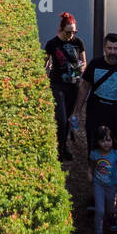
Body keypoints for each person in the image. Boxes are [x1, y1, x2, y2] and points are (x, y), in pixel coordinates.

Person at [43, 12, 86, 159]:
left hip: (73, 85)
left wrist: (81, 67)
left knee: (67, 118)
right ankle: (58, 148)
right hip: (57, 85)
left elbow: (83, 61)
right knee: (60, 119)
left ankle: (64, 147)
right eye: (68, 32)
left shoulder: (78, 42)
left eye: (74, 32)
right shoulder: (52, 44)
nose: (71, 35)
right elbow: (45, 62)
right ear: (61, 29)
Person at [87, 126, 117, 234]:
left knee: (111, 207)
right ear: (97, 142)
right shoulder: (95, 154)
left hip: (112, 186)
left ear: (112, 140)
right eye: (102, 141)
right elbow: (91, 165)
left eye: (108, 140)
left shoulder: (116, 155)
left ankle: (112, 217)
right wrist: (90, 174)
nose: (106, 143)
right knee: (100, 211)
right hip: (99, 185)